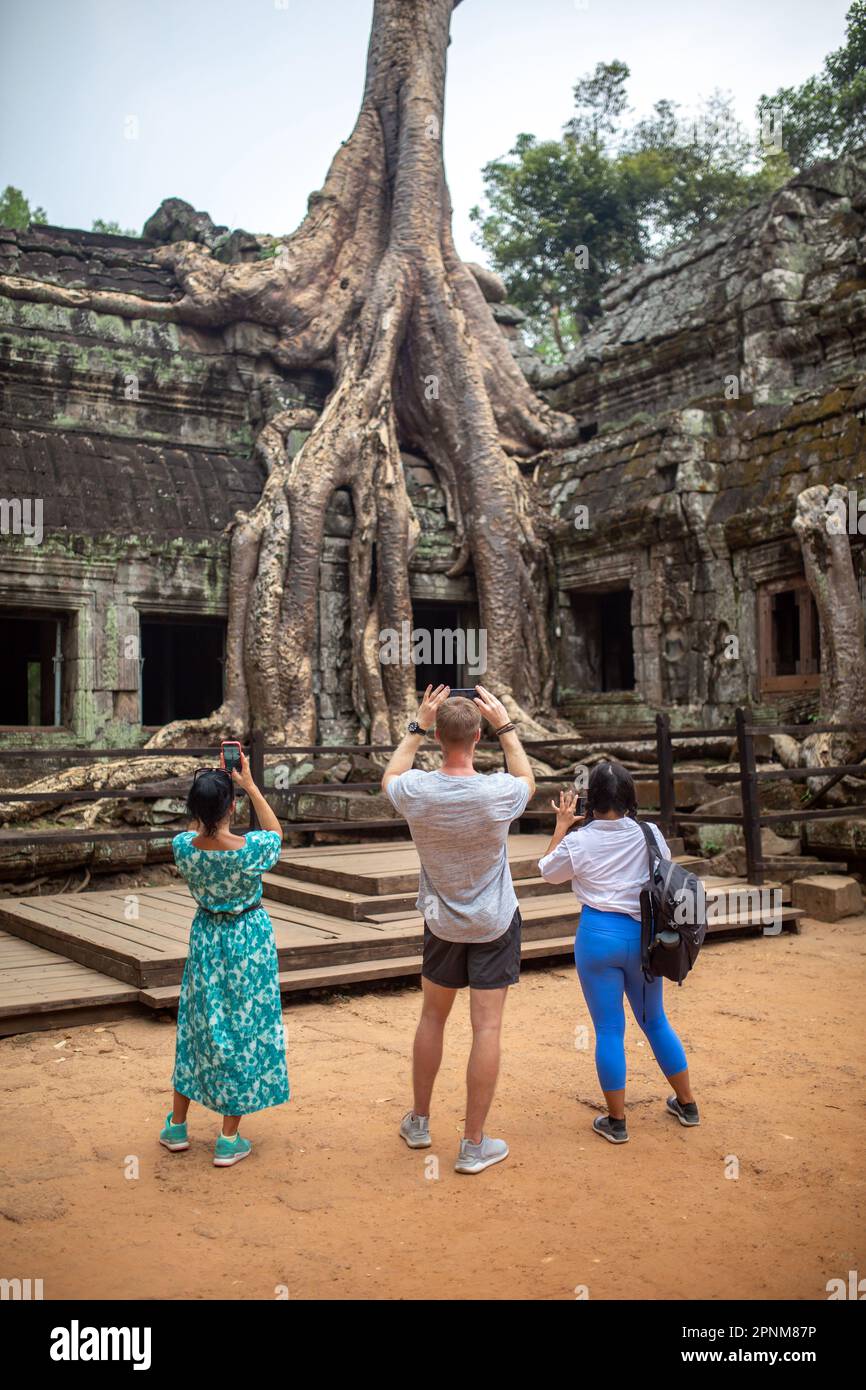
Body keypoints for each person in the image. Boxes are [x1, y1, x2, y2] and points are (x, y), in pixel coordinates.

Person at [381, 683, 535, 1174]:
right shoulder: (497, 793)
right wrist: (506, 726)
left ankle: (420, 1121)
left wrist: (416, 725)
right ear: (478, 739)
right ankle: (472, 1144)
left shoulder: (417, 792)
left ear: (437, 738)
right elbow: (527, 778)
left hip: (443, 922)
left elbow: (390, 775)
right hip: (493, 920)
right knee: (486, 1027)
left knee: (432, 1018)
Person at [538, 761, 698, 1145]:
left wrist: (562, 825)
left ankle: (617, 1120)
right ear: (629, 797)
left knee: (609, 1029)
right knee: (655, 1021)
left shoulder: (580, 840)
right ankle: (687, 1104)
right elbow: (665, 873)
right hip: (644, 938)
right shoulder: (649, 833)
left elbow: (547, 871)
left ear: (591, 799)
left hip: (597, 936)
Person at [159, 751, 289, 1167]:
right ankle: (228, 1137)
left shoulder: (183, 848)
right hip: (247, 941)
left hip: (206, 939)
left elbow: (196, 829)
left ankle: (177, 1126)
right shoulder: (250, 851)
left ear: (193, 810)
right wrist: (248, 784)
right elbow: (275, 832)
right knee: (243, 1029)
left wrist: (208, 801)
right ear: (232, 806)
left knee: (197, 1025)